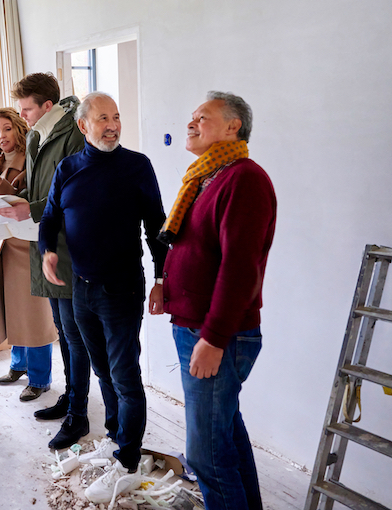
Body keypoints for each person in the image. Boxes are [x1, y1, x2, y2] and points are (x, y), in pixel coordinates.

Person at [149, 91, 277, 510]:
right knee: (224, 434)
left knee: (205, 453)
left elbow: (240, 269)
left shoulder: (244, 179)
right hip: (196, 326)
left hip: (217, 334)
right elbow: (195, 246)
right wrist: (164, 280)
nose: (191, 123)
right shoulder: (206, 176)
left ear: (232, 126)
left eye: (201, 118)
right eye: (192, 117)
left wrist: (215, 338)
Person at [39, 92, 167, 483]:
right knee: (103, 371)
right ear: (83, 126)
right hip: (82, 289)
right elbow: (49, 216)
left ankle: (128, 459)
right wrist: (47, 252)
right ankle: (116, 438)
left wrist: (161, 280)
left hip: (122, 289)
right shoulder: (68, 168)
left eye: (116, 117)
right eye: (102, 118)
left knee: (125, 375)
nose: (112, 125)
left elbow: (156, 228)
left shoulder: (137, 166)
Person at [0, 72, 90, 449]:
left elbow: (74, 193)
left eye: (26, 108)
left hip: (69, 246)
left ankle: (79, 415)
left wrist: (30, 209)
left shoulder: (74, 134)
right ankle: (71, 399)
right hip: (45, 242)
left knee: (74, 335)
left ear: (47, 106)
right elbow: (41, 188)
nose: (23, 116)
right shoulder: (38, 134)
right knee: (62, 331)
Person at [0, 107, 58, 402]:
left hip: (27, 242)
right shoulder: (1, 162)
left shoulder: (31, 158)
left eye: (6, 129)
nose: (1, 136)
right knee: (13, 307)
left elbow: (20, 199)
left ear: (19, 128)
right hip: (6, 243)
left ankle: (40, 377)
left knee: (34, 311)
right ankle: (18, 365)